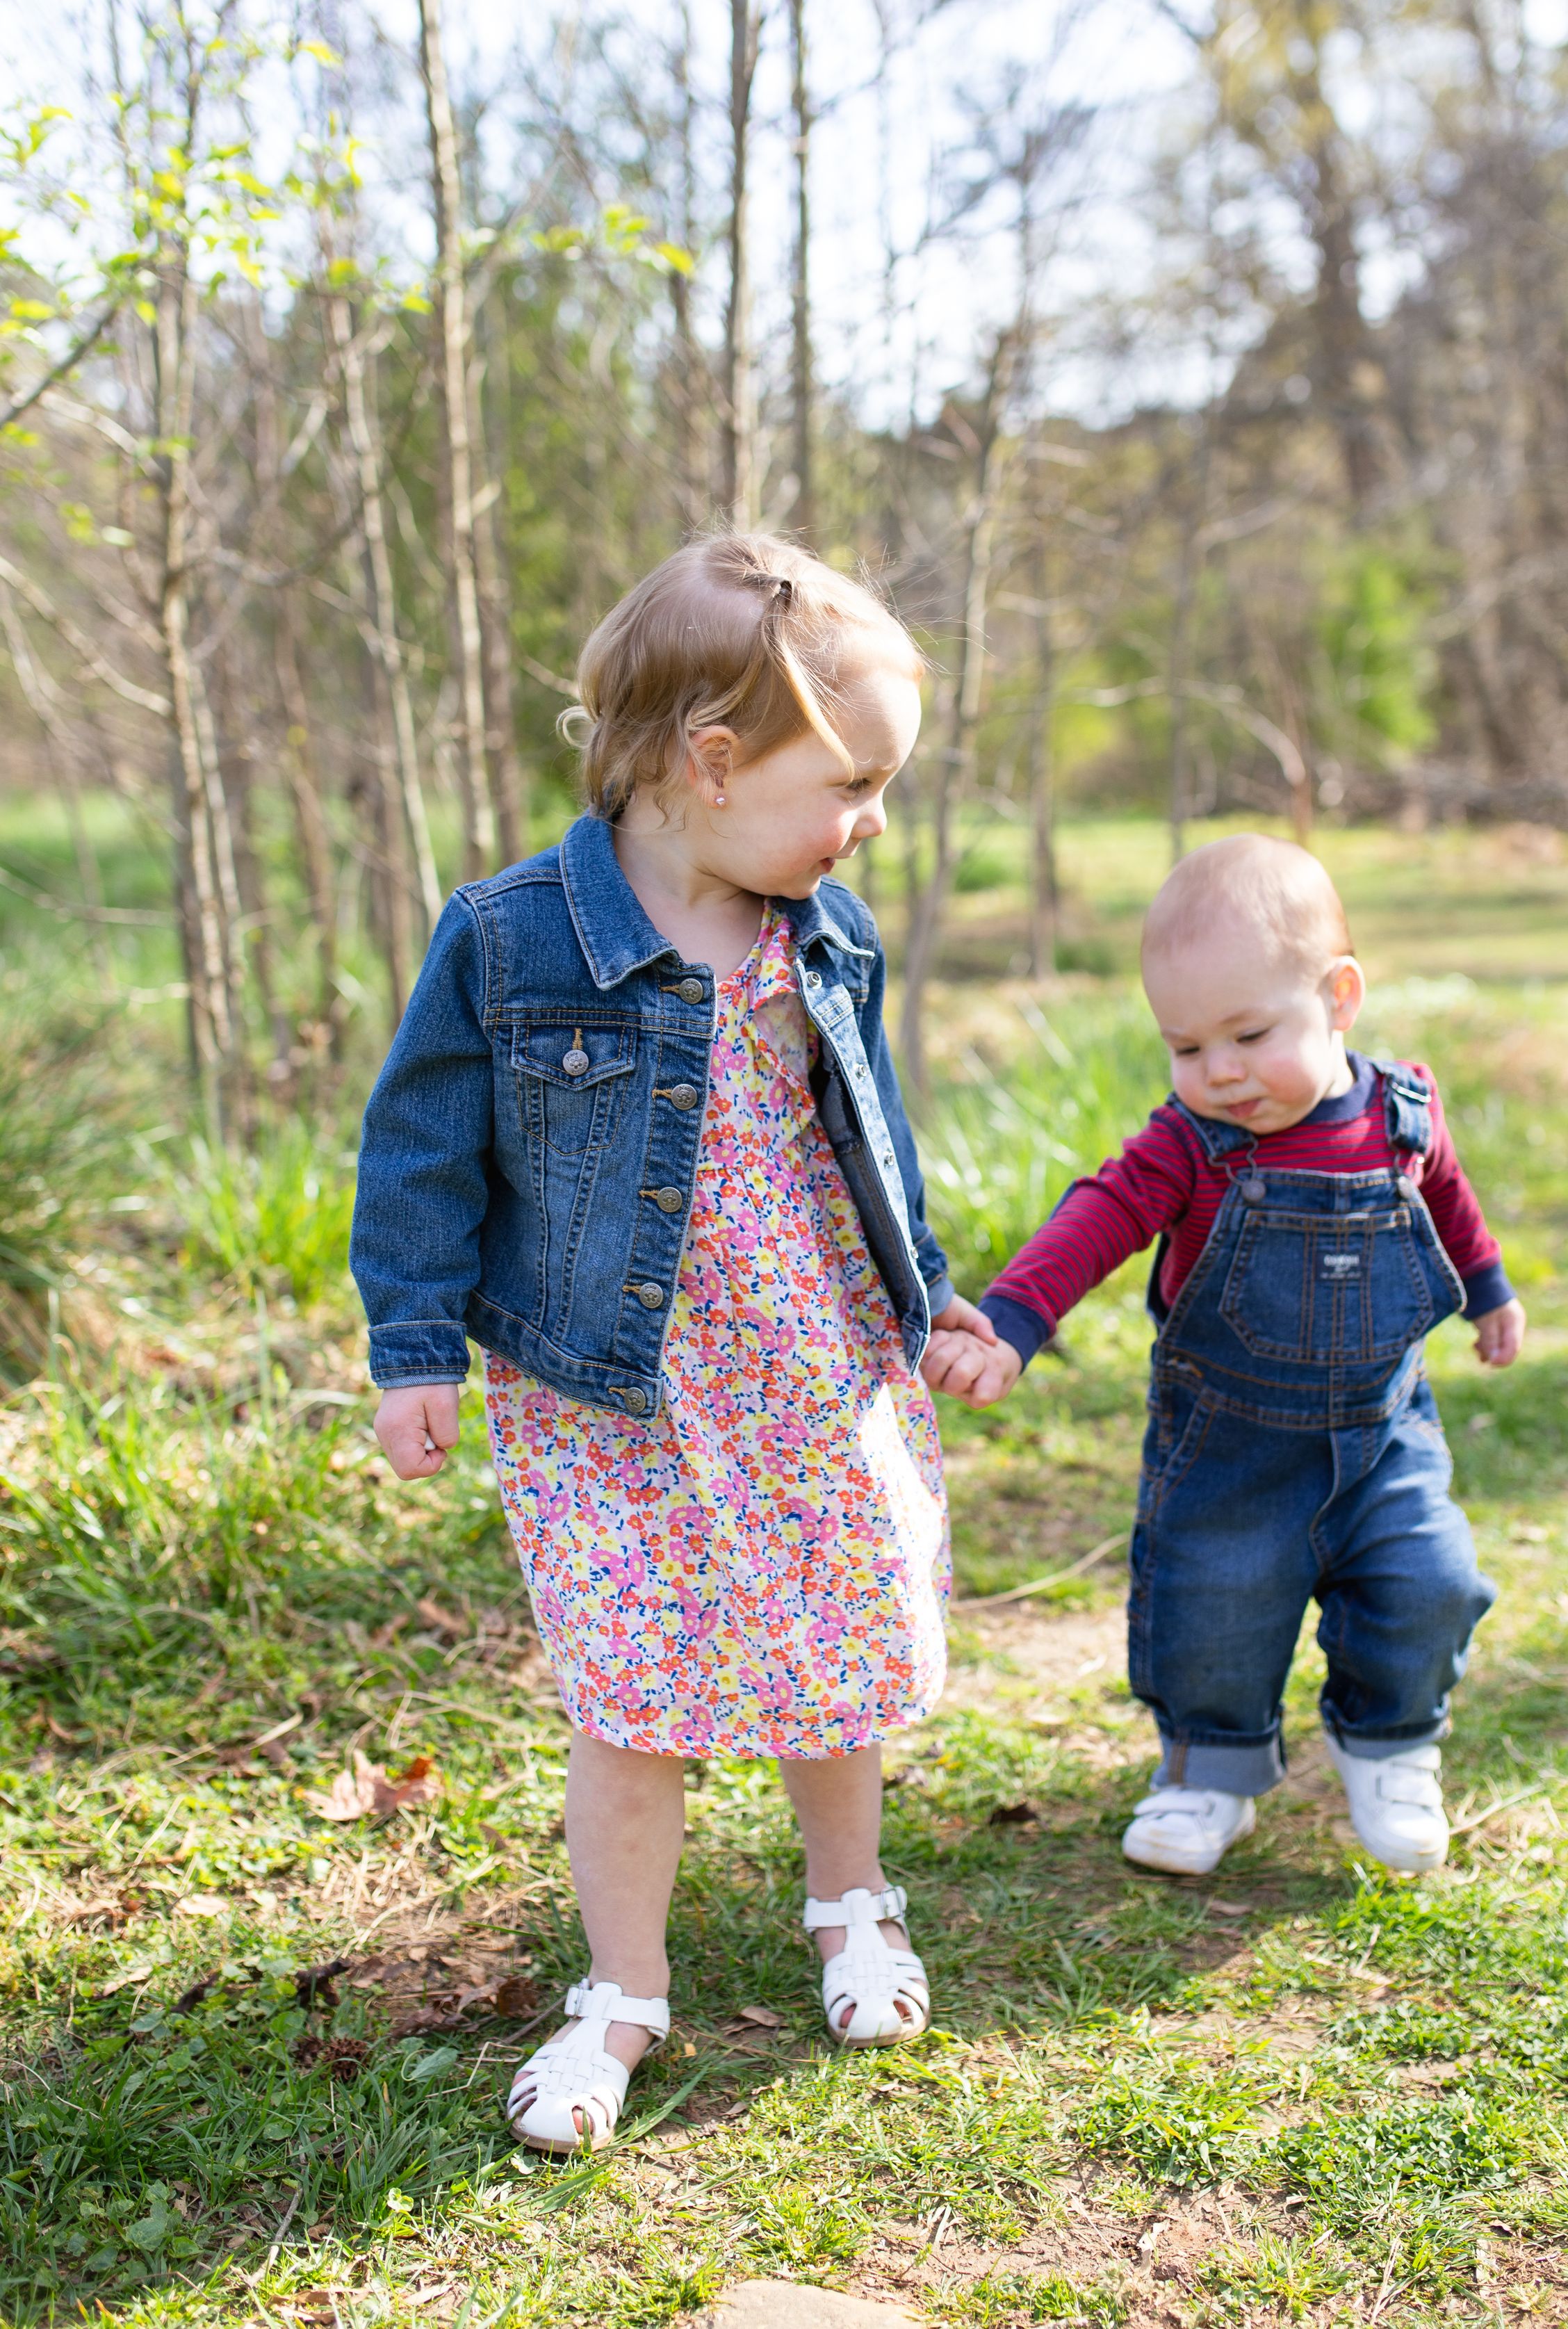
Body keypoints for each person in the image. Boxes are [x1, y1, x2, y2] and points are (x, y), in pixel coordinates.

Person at [350, 534, 995, 2151]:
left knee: (832, 1638)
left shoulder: (817, 930)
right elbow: (420, 1149)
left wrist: (925, 1290)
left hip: (810, 1356)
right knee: (628, 1692)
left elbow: (865, 1133)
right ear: (711, 762)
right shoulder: (510, 940)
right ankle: (621, 1990)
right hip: (603, 1391)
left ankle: (850, 1902)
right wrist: (413, 1345)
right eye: (851, 782)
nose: (866, 823)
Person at [926, 833, 1524, 1881]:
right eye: (1188, 1046)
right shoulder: (1193, 1145)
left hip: (1385, 1432)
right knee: (1214, 1604)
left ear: (1339, 996)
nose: (1222, 1070)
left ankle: (1390, 1748)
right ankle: (1209, 1769)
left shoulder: (1404, 1113)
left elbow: (1449, 1204)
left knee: (1431, 1581)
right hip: (1228, 1449)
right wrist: (1018, 1321)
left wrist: (1488, 1290)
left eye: (1250, 1032)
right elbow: (1097, 1216)